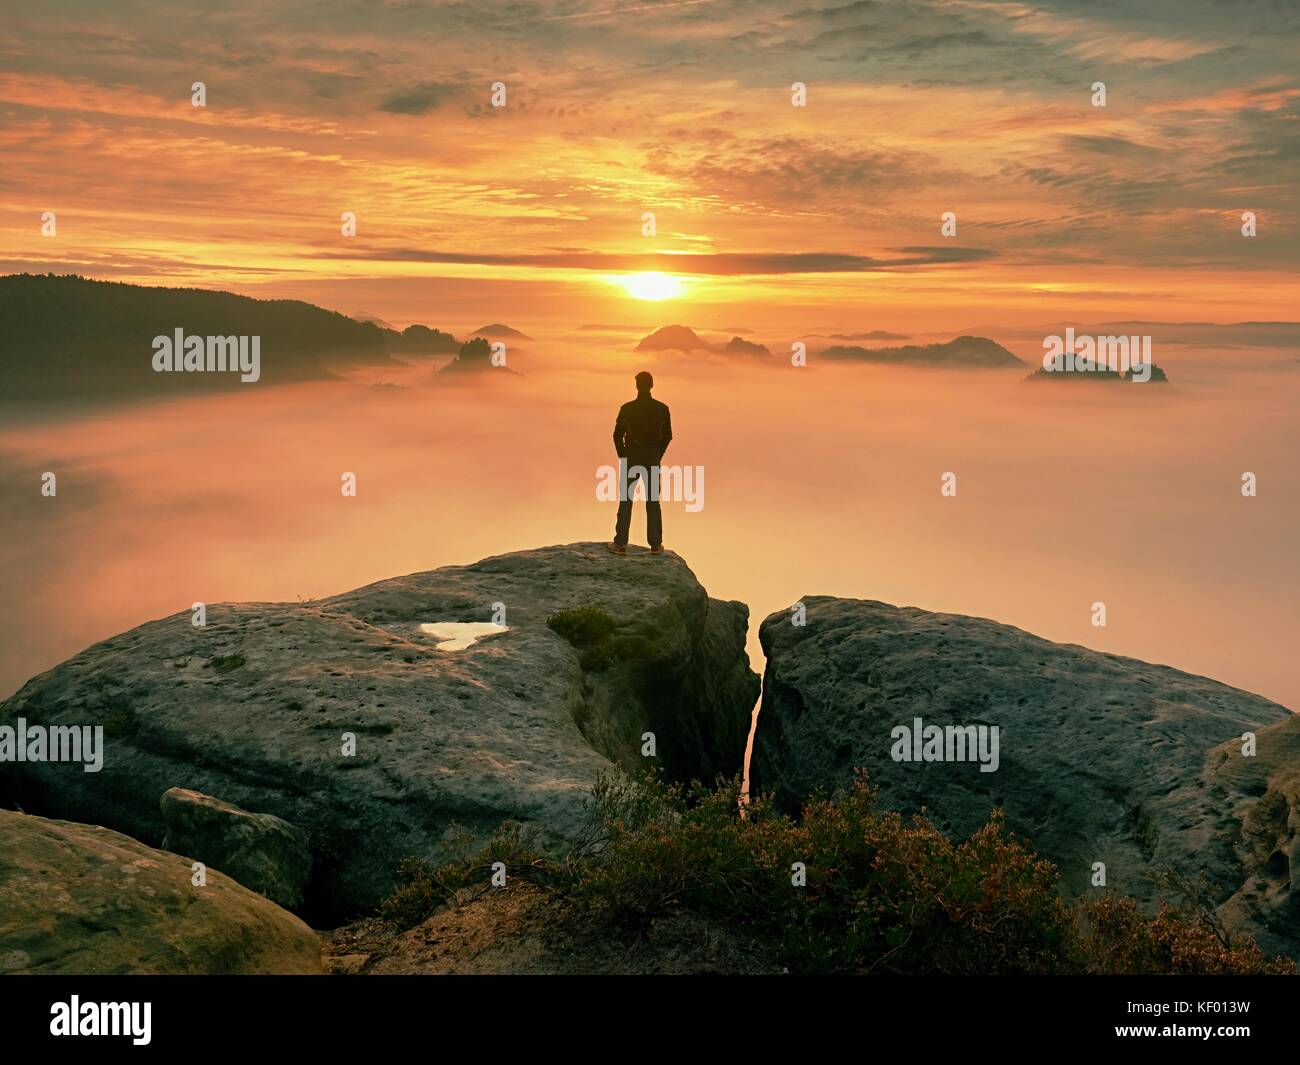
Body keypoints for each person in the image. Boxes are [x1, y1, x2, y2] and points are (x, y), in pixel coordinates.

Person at [608, 371, 672, 555]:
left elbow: (617, 435)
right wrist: (657, 454)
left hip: (632, 455)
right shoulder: (662, 409)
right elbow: (668, 436)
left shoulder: (627, 409)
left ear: (637, 385)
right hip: (651, 456)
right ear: (651, 385)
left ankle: (620, 544)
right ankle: (655, 545)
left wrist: (623, 456)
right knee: (652, 502)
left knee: (626, 500)